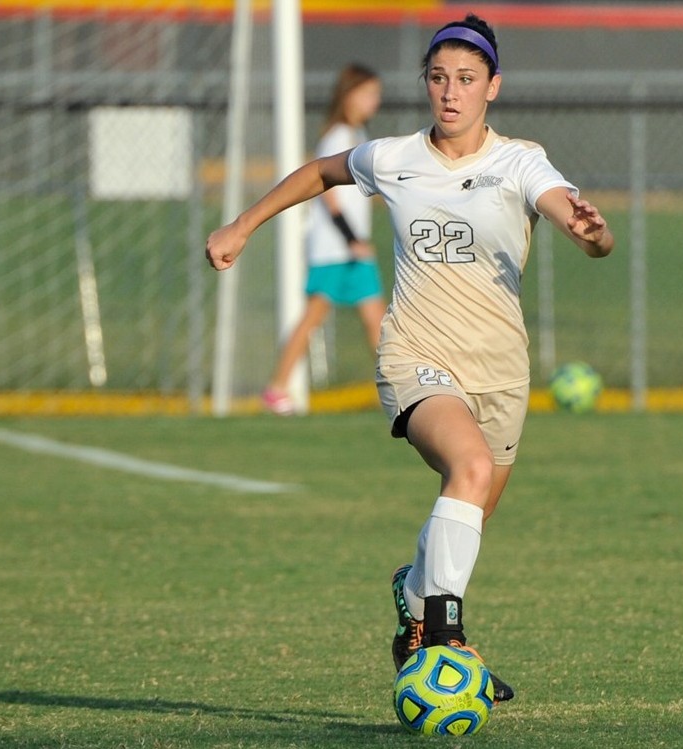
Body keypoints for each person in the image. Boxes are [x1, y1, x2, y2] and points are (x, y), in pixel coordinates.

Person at [206, 14, 614, 703]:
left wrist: (589, 232)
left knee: (472, 506)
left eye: (466, 79)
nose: (451, 92)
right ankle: (446, 641)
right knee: (469, 467)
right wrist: (242, 224)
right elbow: (322, 172)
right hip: (416, 356)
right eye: (438, 77)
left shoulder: (520, 161)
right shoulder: (393, 157)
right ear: (425, 83)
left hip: (500, 371)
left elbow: (572, 216)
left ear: (492, 87)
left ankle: (416, 596)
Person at [261, 64, 387, 415]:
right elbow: (328, 195)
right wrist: (350, 238)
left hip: (352, 248)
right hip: (335, 249)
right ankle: (277, 389)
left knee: (376, 320)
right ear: (348, 96)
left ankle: (395, 391)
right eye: (368, 94)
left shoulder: (357, 133)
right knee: (313, 317)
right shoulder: (338, 137)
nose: (374, 101)